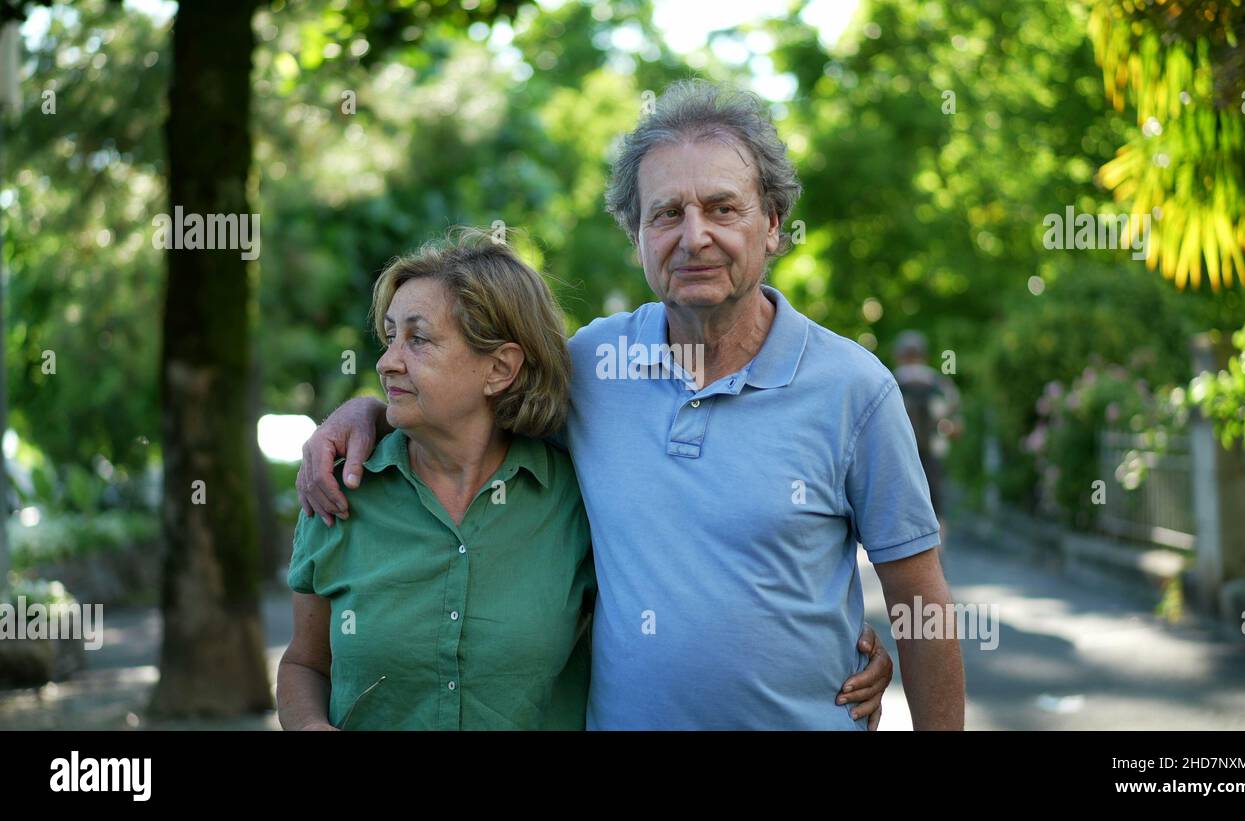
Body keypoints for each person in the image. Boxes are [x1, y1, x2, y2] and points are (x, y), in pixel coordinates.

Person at [299, 81, 963, 729]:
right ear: (637, 235)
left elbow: (920, 598)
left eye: (722, 208)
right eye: (666, 213)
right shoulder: (592, 367)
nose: (694, 236)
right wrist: (365, 414)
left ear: (774, 226)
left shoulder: (854, 389)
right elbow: (472, 393)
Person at [278, 230, 889, 730]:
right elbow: (304, 665)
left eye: (419, 339)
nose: (387, 360)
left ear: (500, 368)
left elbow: (690, 590)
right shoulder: (336, 490)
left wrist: (823, 645)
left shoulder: (575, 497)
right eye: (389, 337)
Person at [891, 330, 962, 542]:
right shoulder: (939, 383)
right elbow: (956, 427)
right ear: (924, 354)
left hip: (898, 459)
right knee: (936, 508)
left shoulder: (889, 381)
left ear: (899, 355)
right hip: (933, 458)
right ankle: (938, 556)